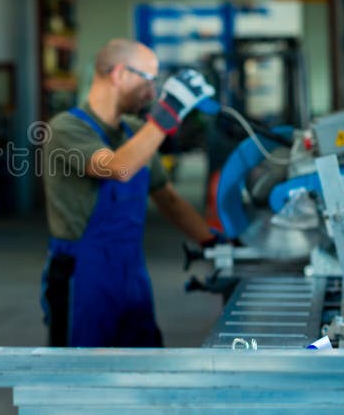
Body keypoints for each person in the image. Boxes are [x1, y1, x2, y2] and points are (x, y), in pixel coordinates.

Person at [41, 38, 219, 348]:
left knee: (144, 372)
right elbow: (119, 167)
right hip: (82, 281)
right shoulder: (66, 129)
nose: (151, 94)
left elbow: (170, 201)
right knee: (78, 383)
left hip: (132, 276)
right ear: (120, 73)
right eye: (149, 80)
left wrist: (216, 244)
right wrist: (169, 113)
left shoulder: (138, 133)